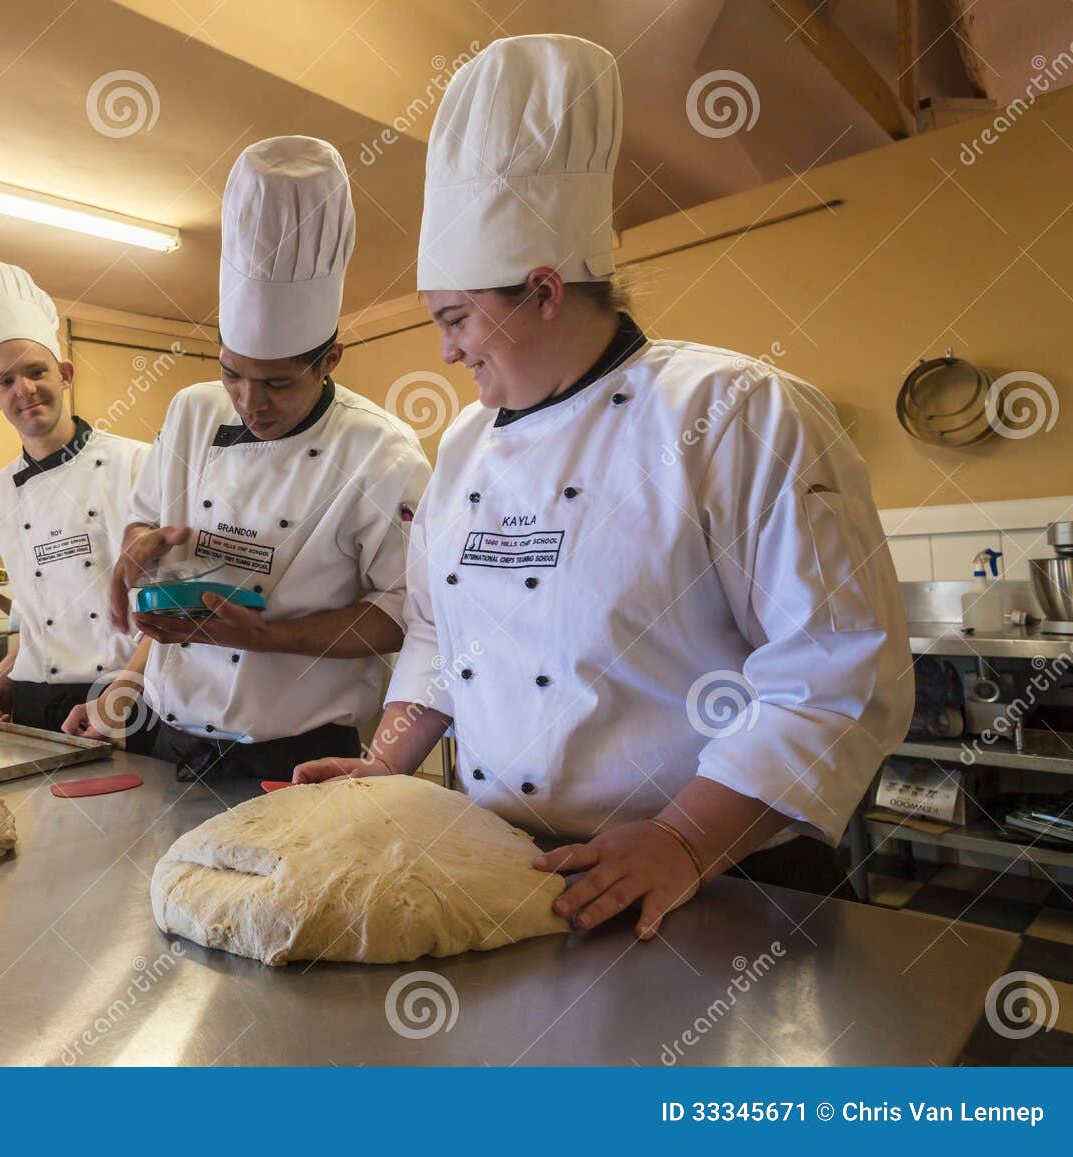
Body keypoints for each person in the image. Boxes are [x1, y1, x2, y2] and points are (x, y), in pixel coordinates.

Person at [294, 35, 914, 940]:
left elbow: (836, 665)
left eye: (457, 318)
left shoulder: (733, 412)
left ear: (544, 290)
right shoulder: (464, 446)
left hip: (725, 880)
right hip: (516, 873)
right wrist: (385, 766)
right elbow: (436, 631)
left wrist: (684, 839)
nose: (447, 350)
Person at [94, 136, 430, 781]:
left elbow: (402, 616)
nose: (251, 403)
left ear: (329, 360)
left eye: (278, 383)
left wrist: (266, 637)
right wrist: (140, 548)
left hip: (298, 749)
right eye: (233, 375)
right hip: (170, 733)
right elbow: (143, 521)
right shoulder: (192, 409)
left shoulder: (379, 451)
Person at [0, 260, 152, 740]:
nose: (25, 390)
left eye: (37, 371)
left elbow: (171, 611)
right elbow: (38, 616)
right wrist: (2, 678)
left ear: (64, 374)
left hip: (124, 693)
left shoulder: (137, 465)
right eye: (6, 381)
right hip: (35, 697)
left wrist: (125, 692)